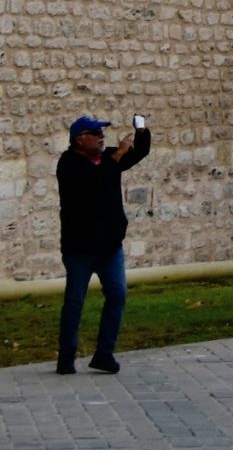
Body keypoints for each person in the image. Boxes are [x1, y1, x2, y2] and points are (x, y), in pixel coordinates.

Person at [56, 113, 151, 374]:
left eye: (102, 133)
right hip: (80, 249)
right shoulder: (69, 164)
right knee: (75, 302)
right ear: (79, 139)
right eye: (95, 133)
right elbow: (95, 181)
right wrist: (118, 154)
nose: (101, 137)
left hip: (110, 248)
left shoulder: (108, 157)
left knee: (117, 295)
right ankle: (66, 357)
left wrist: (141, 131)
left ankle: (104, 353)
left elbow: (139, 153)